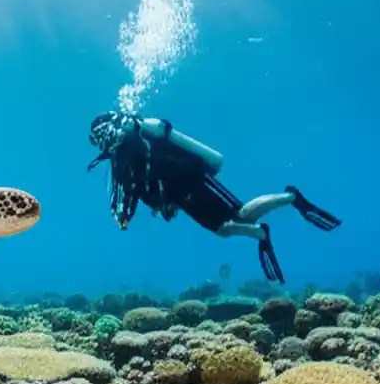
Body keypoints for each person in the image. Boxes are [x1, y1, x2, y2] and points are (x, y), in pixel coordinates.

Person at [86, 111, 341, 283]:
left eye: (98, 138)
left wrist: (135, 211)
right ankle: (261, 232)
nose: (101, 143)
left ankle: (291, 197)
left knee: (237, 215)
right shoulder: (122, 156)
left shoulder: (135, 139)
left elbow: (141, 182)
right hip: (181, 195)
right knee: (224, 228)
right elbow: (134, 189)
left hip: (193, 180)